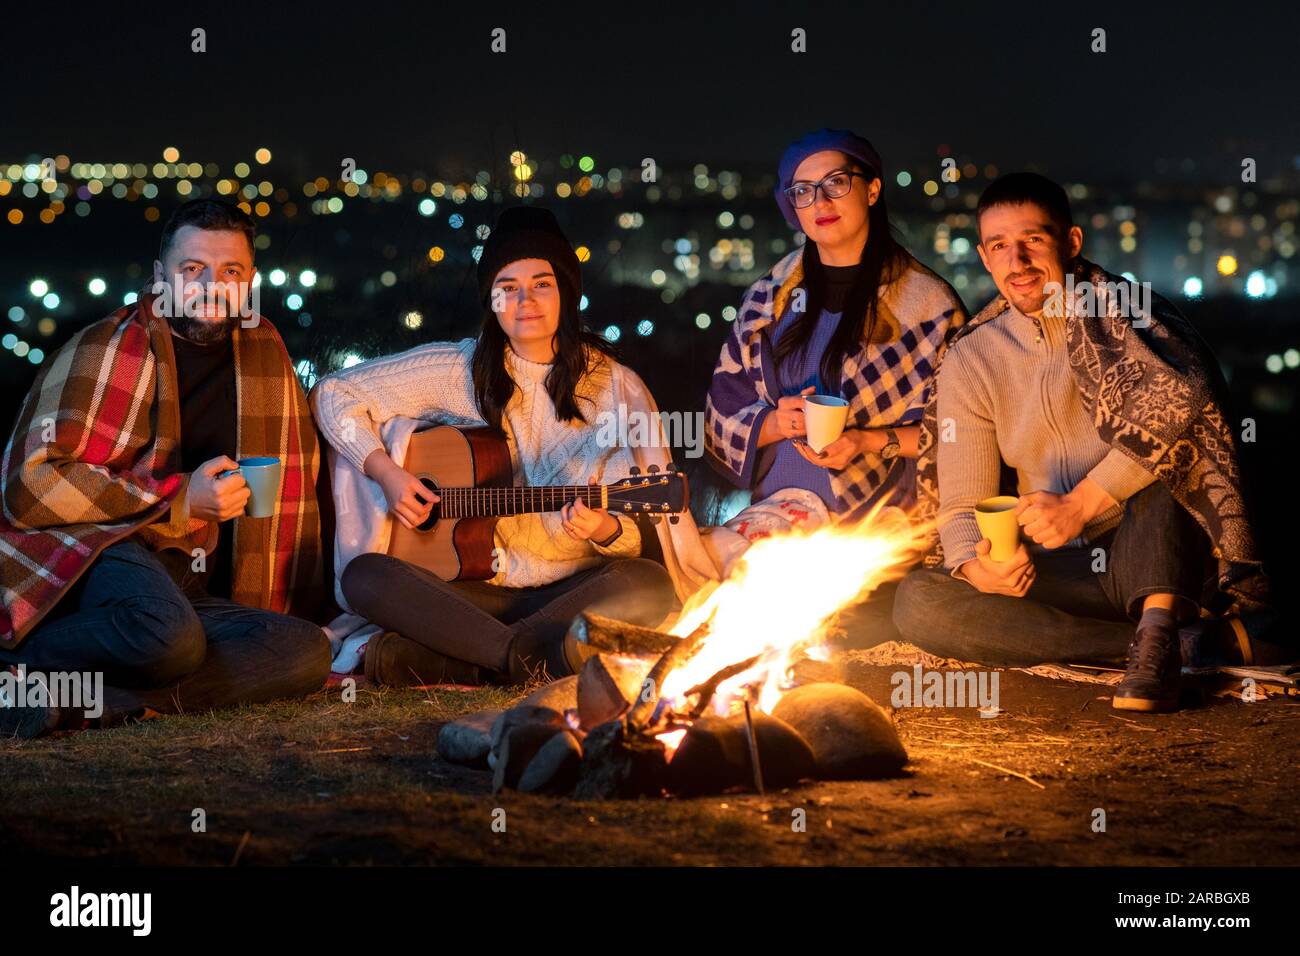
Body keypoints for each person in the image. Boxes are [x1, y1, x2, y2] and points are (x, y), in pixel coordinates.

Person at [896, 172, 1281, 712]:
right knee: (918, 602)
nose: (1018, 261)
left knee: (1166, 468)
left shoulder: (1130, 315)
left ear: (1070, 242)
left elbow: (1188, 405)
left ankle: (1158, 628)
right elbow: (963, 502)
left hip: (1150, 555)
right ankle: (1168, 647)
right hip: (1057, 569)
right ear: (984, 257)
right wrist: (975, 564)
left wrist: (1084, 503)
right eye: (1000, 246)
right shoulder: (972, 356)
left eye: (1034, 239)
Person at [0, 199, 330, 738]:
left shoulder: (264, 347)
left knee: (303, 650)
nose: (212, 285)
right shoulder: (105, 348)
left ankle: (100, 703)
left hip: (190, 583)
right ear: (160, 276)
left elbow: (292, 477)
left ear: (250, 282)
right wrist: (180, 500)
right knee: (168, 638)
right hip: (100, 551)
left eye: (231, 271)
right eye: (192, 268)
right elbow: (29, 486)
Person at [311, 206, 681, 686]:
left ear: (567, 292)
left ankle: (462, 656)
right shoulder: (461, 371)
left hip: (568, 591)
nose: (525, 300)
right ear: (491, 299)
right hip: (470, 589)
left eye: (542, 283)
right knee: (365, 576)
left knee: (647, 581)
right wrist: (387, 472)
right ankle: (530, 657)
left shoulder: (615, 388)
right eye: (508, 287)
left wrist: (604, 526)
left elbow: (632, 536)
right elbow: (334, 393)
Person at [703, 129, 965, 636]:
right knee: (709, 576)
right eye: (802, 190)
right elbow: (724, 400)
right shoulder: (771, 296)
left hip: (875, 522)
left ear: (871, 190)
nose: (819, 201)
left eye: (835, 183)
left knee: (785, 609)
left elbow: (960, 432)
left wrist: (868, 441)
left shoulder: (929, 307)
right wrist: (773, 422)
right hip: (776, 511)